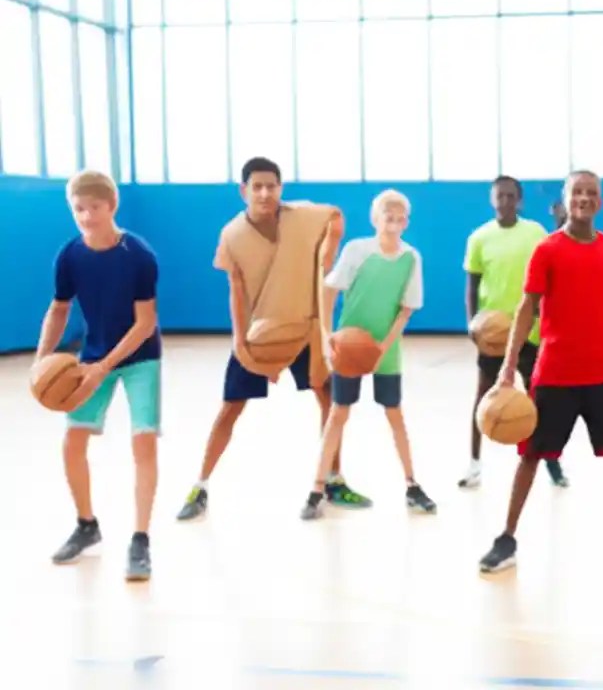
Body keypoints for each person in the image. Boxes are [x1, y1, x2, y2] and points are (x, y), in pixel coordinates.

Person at [477, 170, 603, 574]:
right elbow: (527, 309)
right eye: (577, 191)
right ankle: (506, 538)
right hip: (556, 372)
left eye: (591, 192)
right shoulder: (547, 250)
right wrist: (508, 368)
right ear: (565, 199)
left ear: (600, 202)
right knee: (531, 456)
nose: (584, 198)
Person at [176, 157, 369, 520]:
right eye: (257, 186)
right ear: (243, 190)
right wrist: (239, 340)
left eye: (272, 186)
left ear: (281, 188)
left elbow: (336, 215)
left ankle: (333, 479)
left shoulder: (304, 215)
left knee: (329, 398)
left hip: (304, 325)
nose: (265, 192)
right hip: (260, 332)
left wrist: (329, 249)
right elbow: (234, 288)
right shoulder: (231, 234)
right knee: (230, 408)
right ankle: (199, 486)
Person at [38, 170, 161, 582]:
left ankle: (140, 539)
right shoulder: (69, 256)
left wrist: (101, 369)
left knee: (143, 443)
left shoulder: (139, 254)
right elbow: (58, 310)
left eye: (95, 208)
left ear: (112, 207)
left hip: (140, 357)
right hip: (91, 356)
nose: (87, 216)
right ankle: (86, 524)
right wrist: (42, 361)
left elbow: (145, 324)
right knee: (73, 443)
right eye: (79, 209)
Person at [301, 190, 436, 519]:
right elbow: (329, 290)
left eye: (399, 216)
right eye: (387, 215)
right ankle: (317, 489)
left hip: (384, 349)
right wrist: (326, 336)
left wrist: (382, 347)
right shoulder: (357, 250)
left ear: (406, 221)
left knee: (395, 415)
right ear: (375, 219)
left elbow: (406, 310)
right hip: (348, 346)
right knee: (338, 413)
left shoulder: (411, 258)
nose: (393, 220)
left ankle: (412, 485)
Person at [460, 176, 567, 489]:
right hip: (493, 336)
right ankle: (474, 464)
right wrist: (472, 323)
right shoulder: (479, 238)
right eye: (499, 196)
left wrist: (561, 224)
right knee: (483, 396)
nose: (505, 202)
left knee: (540, 399)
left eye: (510, 196)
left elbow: (553, 263)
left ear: (519, 201)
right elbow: (472, 285)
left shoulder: (534, 232)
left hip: (529, 332)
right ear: (492, 200)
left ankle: (552, 464)